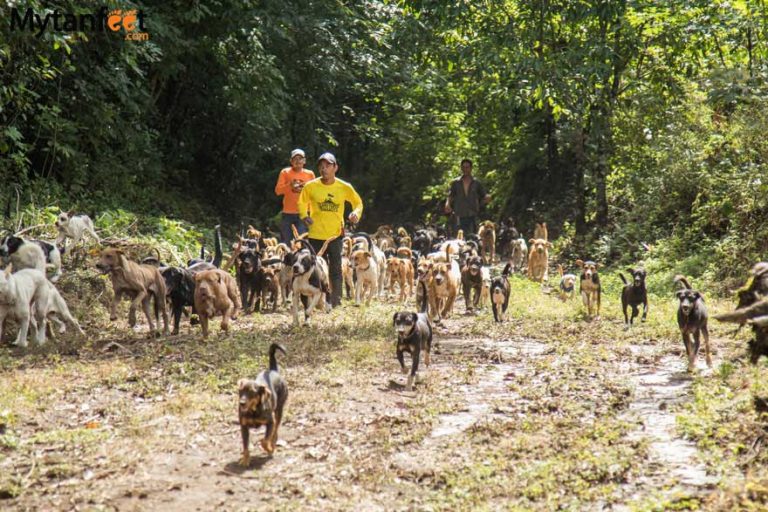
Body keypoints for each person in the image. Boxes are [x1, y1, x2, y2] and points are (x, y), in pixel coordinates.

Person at [297, 152, 363, 308]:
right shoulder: (310, 186)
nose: (323, 169)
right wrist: (304, 215)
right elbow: (301, 202)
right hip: (315, 234)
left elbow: (358, 202)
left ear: (335, 168)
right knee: (312, 268)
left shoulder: (344, 187)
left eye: (327, 166)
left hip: (335, 235)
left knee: (335, 268)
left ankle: (335, 301)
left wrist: (355, 213)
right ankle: (313, 299)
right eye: (321, 166)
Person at [274, 148, 316, 244]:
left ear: (304, 161)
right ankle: (286, 259)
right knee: (286, 242)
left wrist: (314, 213)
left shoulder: (310, 174)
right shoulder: (285, 172)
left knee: (302, 242)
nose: (298, 161)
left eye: (300, 158)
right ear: (291, 161)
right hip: (288, 213)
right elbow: (278, 191)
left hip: (304, 214)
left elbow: (314, 194)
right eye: (295, 159)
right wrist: (290, 185)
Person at [444, 159, 491, 235]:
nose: (465, 169)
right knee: (459, 236)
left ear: (471, 168)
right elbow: (451, 195)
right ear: (461, 168)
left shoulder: (476, 183)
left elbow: (484, 195)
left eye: (467, 167)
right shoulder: (456, 182)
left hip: (473, 213)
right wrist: (447, 204)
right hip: (459, 213)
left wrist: (486, 199)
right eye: (464, 167)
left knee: (472, 236)